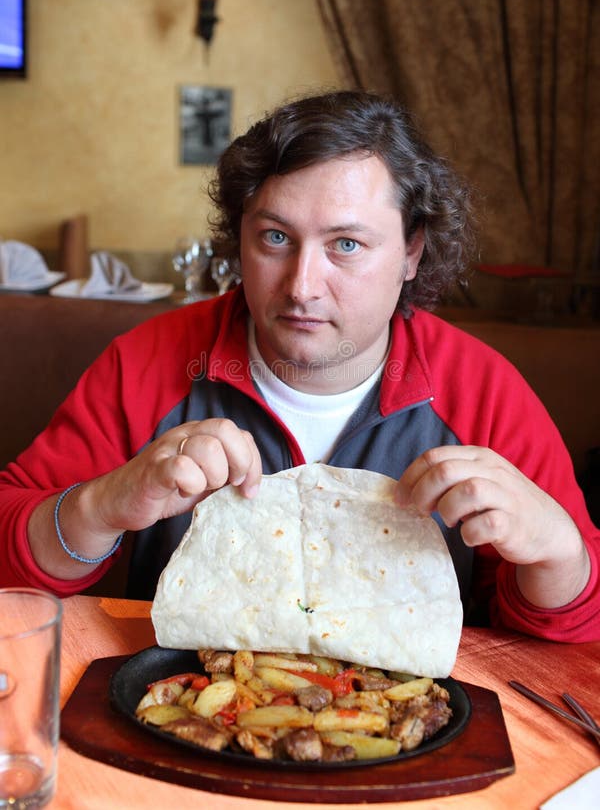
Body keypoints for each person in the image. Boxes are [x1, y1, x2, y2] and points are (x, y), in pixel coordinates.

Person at [0, 90, 598, 641]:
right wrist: (102, 505)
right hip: (182, 717)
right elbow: (9, 563)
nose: (302, 287)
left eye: (346, 245)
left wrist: (557, 554)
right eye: (276, 239)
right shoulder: (146, 364)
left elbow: (576, 630)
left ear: (411, 252)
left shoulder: (483, 391)